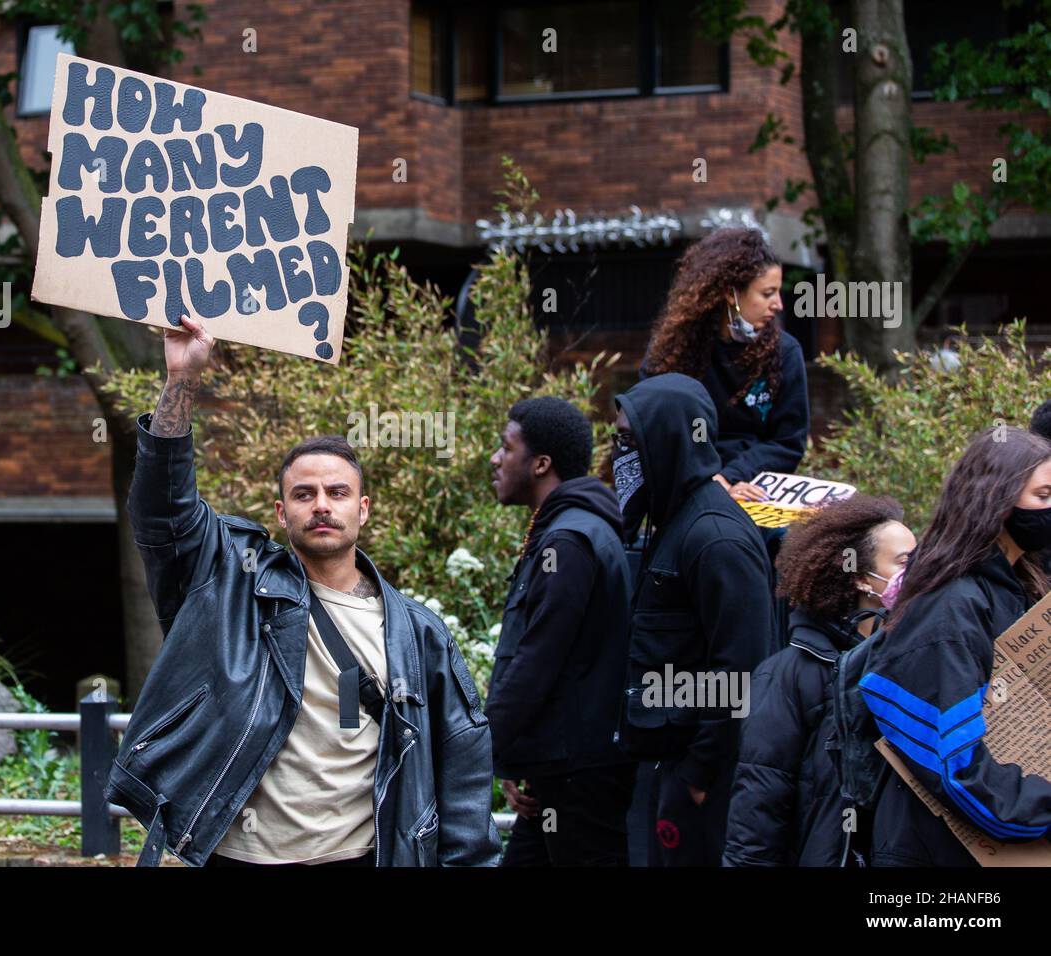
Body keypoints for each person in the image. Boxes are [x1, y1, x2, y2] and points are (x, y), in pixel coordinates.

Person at [105, 316, 501, 867]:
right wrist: (181, 381)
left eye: (338, 492)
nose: (321, 504)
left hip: (363, 857)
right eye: (304, 493)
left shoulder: (417, 633)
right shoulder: (232, 584)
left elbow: (462, 767)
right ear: (281, 512)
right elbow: (162, 513)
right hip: (239, 858)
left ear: (362, 510)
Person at [861, 427, 1051, 866]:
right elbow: (957, 769)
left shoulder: (1018, 584)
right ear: (997, 501)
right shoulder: (948, 608)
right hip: (935, 854)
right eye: (1042, 496)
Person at [612, 372, 775, 866]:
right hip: (668, 764)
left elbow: (743, 669)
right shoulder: (675, 521)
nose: (618, 455)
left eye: (627, 440)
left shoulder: (715, 537)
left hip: (702, 783)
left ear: (664, 440)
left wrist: (699, 776)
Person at [723, 495, 916, 866]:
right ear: (861, 577)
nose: (918, 574)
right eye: (905, 563)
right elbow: (759, 804)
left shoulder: (912, 661)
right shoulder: (790, 674)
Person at [487, 396, 635, 866]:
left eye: (506, 447)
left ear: (540, 463)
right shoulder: (567, 529)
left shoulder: (569, 540)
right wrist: (514, 759)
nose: (496, 458)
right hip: (557, 770)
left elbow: (537, 661)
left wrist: (483, 753)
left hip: (580, 776)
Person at [640, 227, 809, 504]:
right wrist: (708, 480)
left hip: (755, 488)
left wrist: (731, 476)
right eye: (768, 293)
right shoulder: (671, 352)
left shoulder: (785, 352)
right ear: (731, 294)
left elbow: (787, 443)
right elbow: (654, 429)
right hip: (687, 487)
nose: (778, 304)